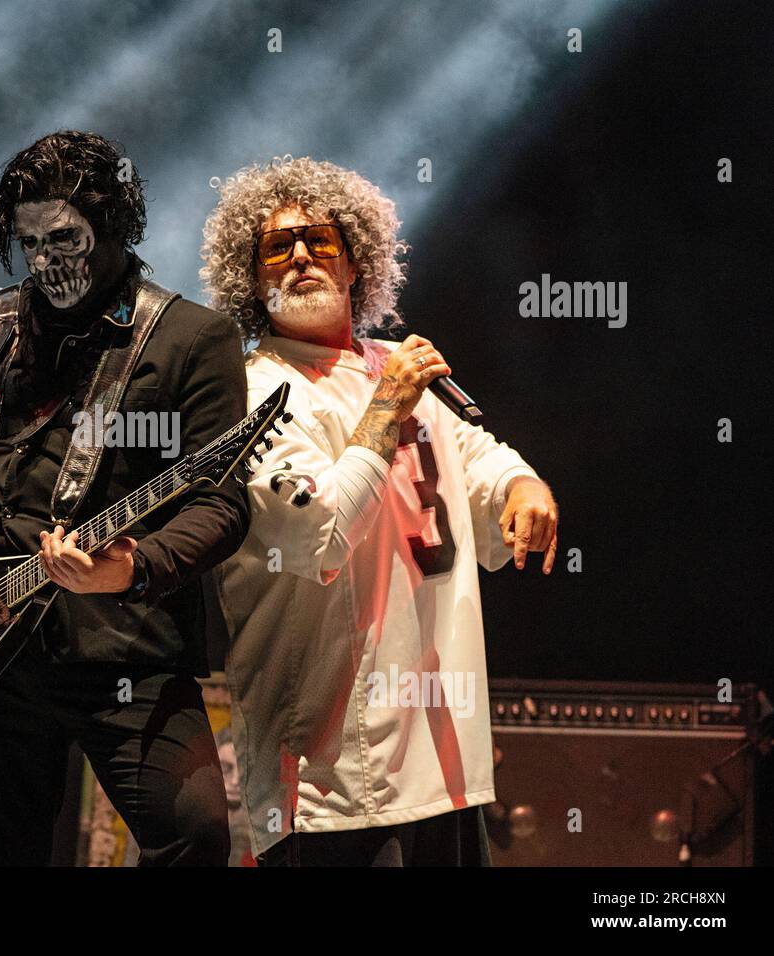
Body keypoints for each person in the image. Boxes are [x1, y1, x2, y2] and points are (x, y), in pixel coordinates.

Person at [0, 131, 249, 865]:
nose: (48, 262)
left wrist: (135, 565)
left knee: (197, 833)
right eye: (31, 244)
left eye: (66, 239)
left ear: (114, 225)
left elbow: (222, 504)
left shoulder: (191, 338)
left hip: (129, 646)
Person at [202, 156, 559, 866]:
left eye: (320, 240)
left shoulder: (397, 365)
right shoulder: (248, 394)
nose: (302, 255)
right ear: (252, 278)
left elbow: (478, 456)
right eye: (279, 246)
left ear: (356, 260)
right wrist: (388, 406)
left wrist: (525, 488)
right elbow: (319, 535)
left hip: (444, 758)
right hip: (333, 777)